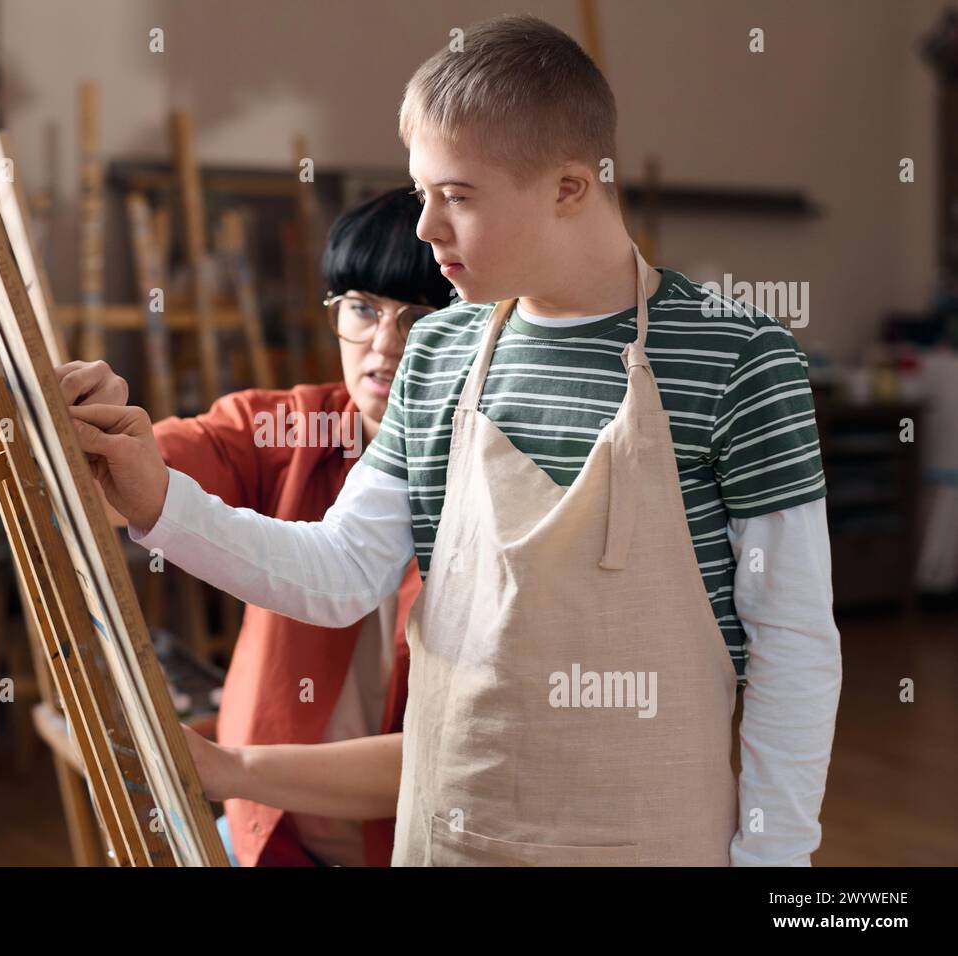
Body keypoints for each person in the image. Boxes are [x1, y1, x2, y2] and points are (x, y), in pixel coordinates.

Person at [68, 16, 841, 866]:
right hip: (447, 837)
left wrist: (776, 859)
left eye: (458, 197)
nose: (426, 227)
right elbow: (339, 572)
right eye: (421, 190)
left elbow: (793, 642)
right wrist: (156, 501)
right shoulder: (442, 351)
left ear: (571, 188)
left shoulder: (739, 359)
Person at [57, 187, 451, 866]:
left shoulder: (490, 482)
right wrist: (91, 435)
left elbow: (449, 759)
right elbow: (124, 488)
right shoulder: (288, 427)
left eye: (420, 318)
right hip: (266, 841)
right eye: (361, 308)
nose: (384, 346)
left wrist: (231, 766)